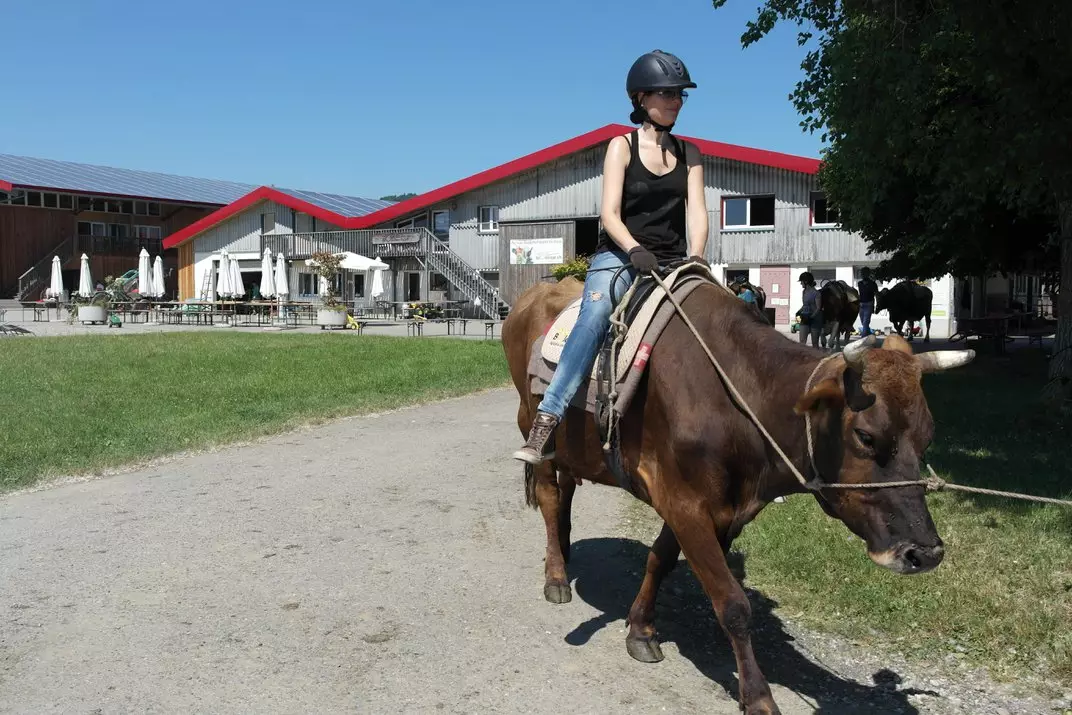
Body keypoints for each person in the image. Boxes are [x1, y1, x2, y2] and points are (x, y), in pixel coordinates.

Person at [512, 49, 710, 465]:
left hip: (675, 261)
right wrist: (634, 249)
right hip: (621, 256)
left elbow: (698, 214)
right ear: (640, 98)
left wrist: (696, 258)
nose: (675, 100)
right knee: (596, 315)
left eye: (680, 94)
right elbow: (609, 213)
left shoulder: (690, 154)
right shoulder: (621, 146)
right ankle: (548, 418)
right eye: (666, 93)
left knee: (720, 319)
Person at [795, 272, 823, 348]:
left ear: (806, 281)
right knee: (802, 342)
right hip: (805, 318)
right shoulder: (804, 292)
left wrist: (811, 317)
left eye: (801, 281)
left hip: (815, 320)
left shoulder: (816, 293)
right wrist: (799, 311)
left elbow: (818, 308)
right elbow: (805, 305)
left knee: (815, 343)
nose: (801, 283)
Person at [856, 267, 878, 336]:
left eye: (864, 273)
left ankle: (863, 338)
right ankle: (868, 335)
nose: (862, 275)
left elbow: (877, 295)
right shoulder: (859, 283)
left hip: (869, 304)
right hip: (861, 305)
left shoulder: (873, 284)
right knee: (863, 323)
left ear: (868, 274)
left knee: (865, 322)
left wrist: (877, 306)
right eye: (862, 273)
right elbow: (860, 294)